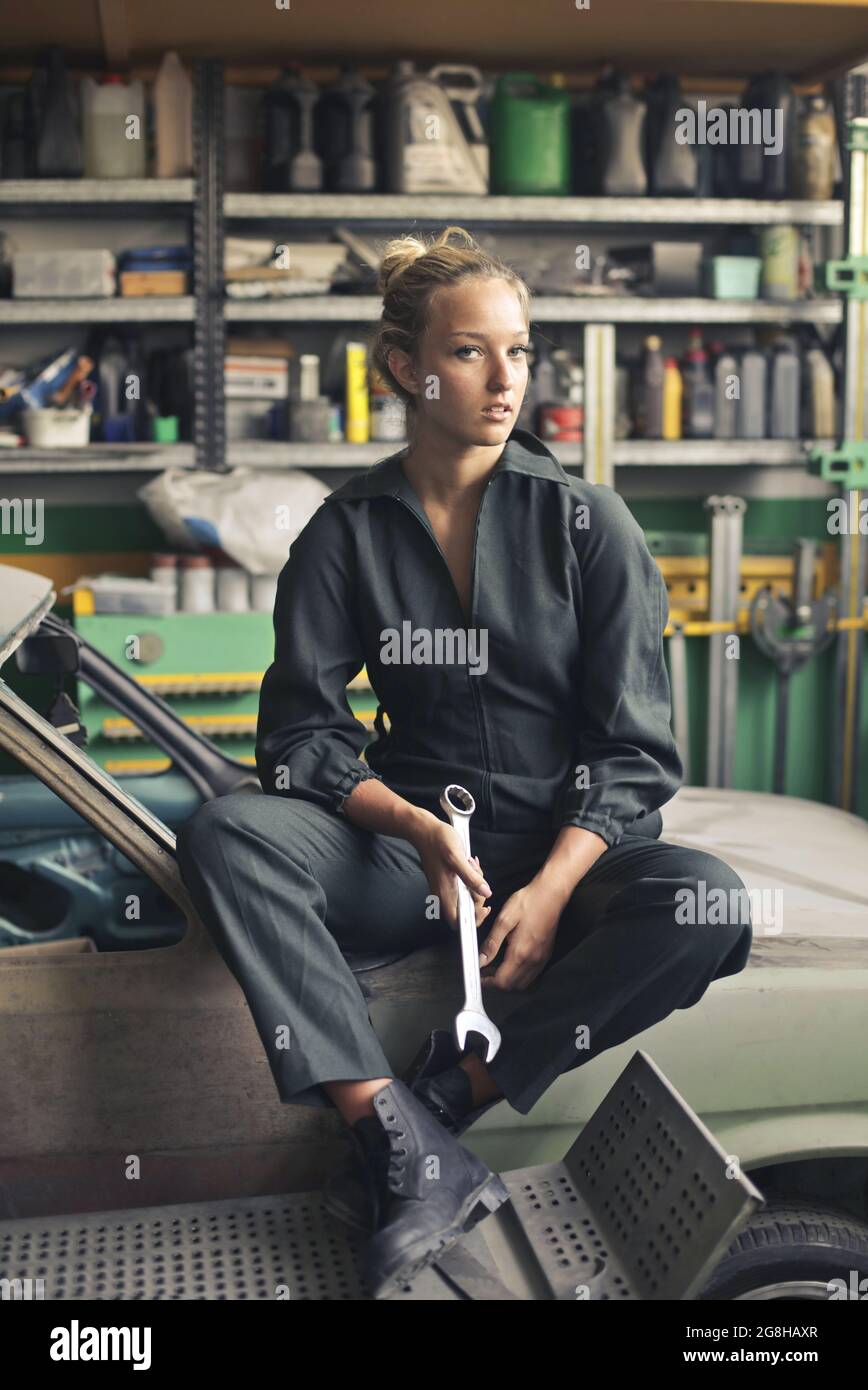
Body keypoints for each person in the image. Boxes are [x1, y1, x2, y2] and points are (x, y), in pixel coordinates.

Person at [175, 226, 753, 1298]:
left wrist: (551, 889)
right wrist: (407, 824)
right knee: (226, 832)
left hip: (564, 845)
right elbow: (300, 739)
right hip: (417, 853)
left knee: (708, 906)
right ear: (407, 368)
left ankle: (438, 1107)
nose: (504, 382)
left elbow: (635, 753)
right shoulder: (342, 535)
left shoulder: (590, 525)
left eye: (520, 352)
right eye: (473, 352)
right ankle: (391, 1136)